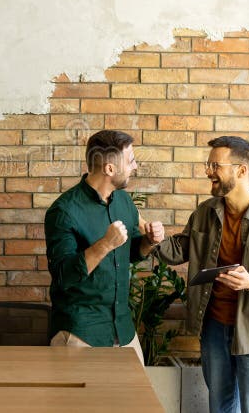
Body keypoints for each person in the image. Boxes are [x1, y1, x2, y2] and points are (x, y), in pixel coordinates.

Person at [148, 136, 249, 413]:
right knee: (220, 405)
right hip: (214, 325)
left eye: (215, 165)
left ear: (241, 171)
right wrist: (153, 238)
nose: (207, 171)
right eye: (208, 164)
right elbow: (180, 249)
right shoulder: (206, 212)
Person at [44, 130, 163, 365]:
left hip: (123, 330)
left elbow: (130, 255)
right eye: (130, 161)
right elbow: (63, 276)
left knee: (136, 400)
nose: (135, 166)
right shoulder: (63, 212)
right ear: (109, 169)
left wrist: (149, 241)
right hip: (81, 333)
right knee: (79, 404)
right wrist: (105, 244)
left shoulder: (124, 202)